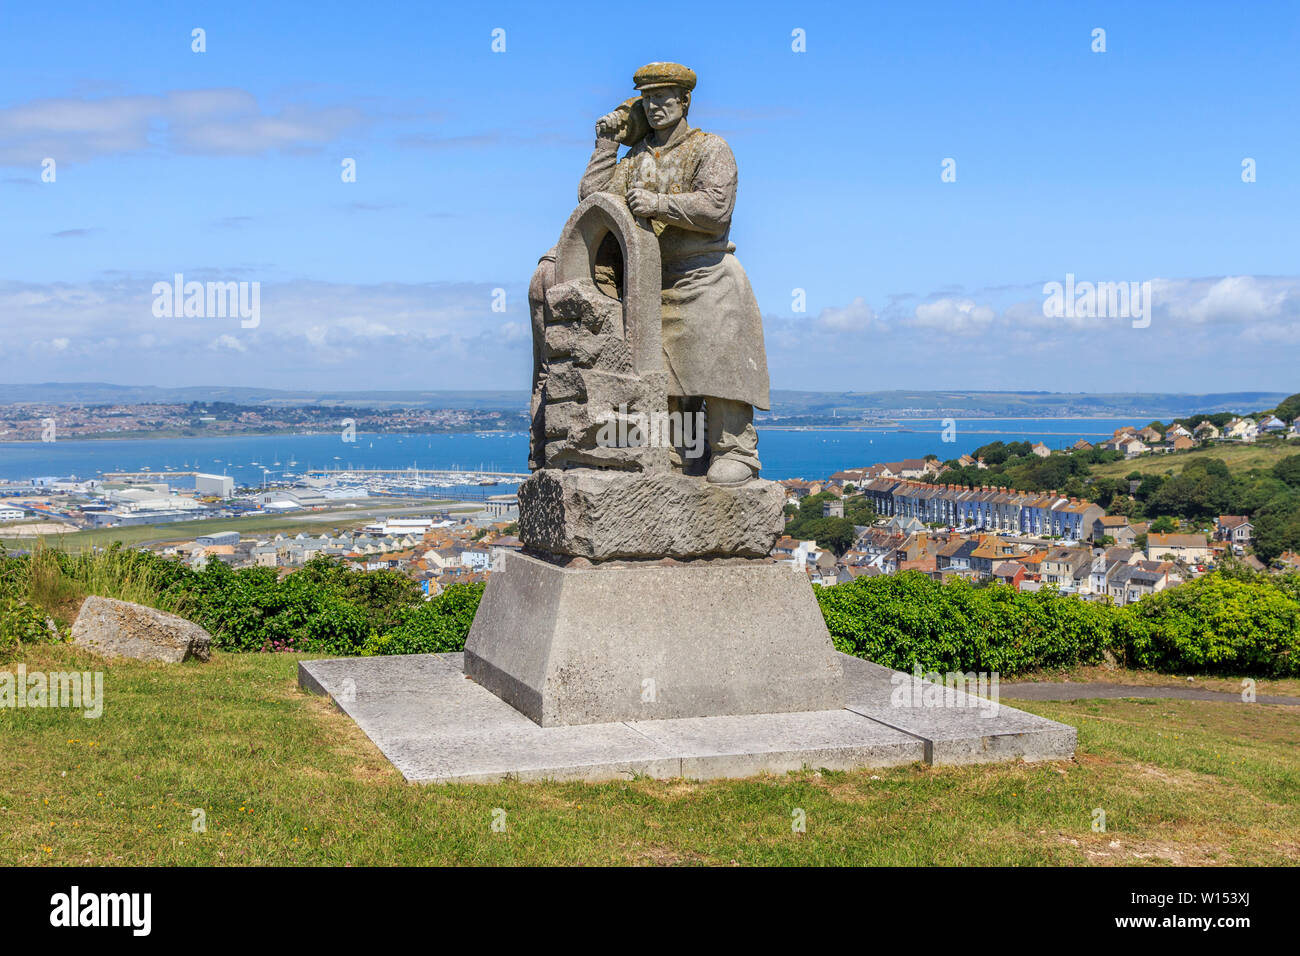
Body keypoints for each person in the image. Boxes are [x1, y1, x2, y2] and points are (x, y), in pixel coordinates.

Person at [529, 61, 771, 486]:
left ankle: (736, 449)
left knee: (716, 366)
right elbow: (593, 200)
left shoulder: (710, 148)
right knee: (660, 379)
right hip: (651, 282)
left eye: (664, 98)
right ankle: (681, 453)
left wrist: (658, 203)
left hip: (706, 275)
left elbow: (716, 208)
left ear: (685, 101)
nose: (656, 106)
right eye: (648, 99)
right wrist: (608, 143)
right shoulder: (634, 158)